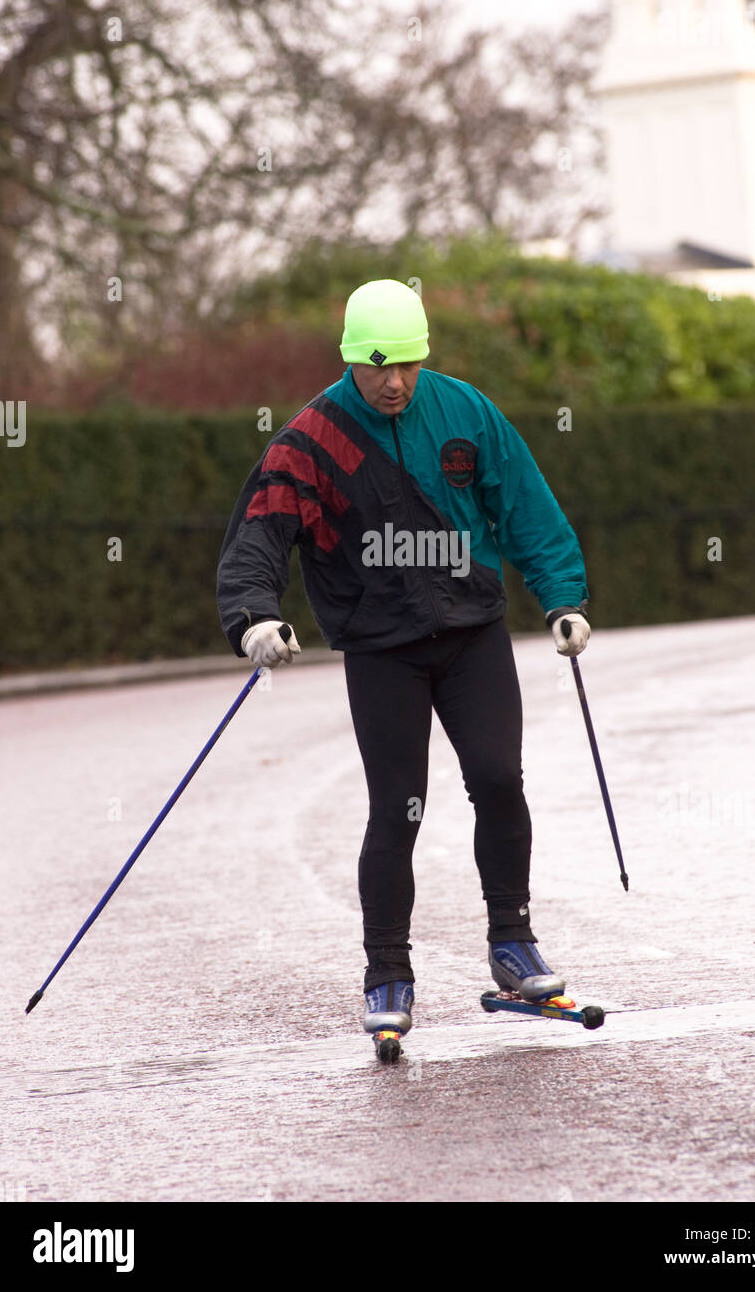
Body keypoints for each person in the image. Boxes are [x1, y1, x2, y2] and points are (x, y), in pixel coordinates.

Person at [217, 279, 590, 1043]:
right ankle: (387, 975)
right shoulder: (312, 439)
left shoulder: (465, 412)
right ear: (351, 359)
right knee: (398, 809)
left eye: (409, 364)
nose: (394, 382)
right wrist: (254, 617)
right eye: (378, 366)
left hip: (471, 633)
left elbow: (526, 508)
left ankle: (512, 945)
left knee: (497, 778)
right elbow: (259, 535)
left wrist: (564, 599)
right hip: (381, 647)